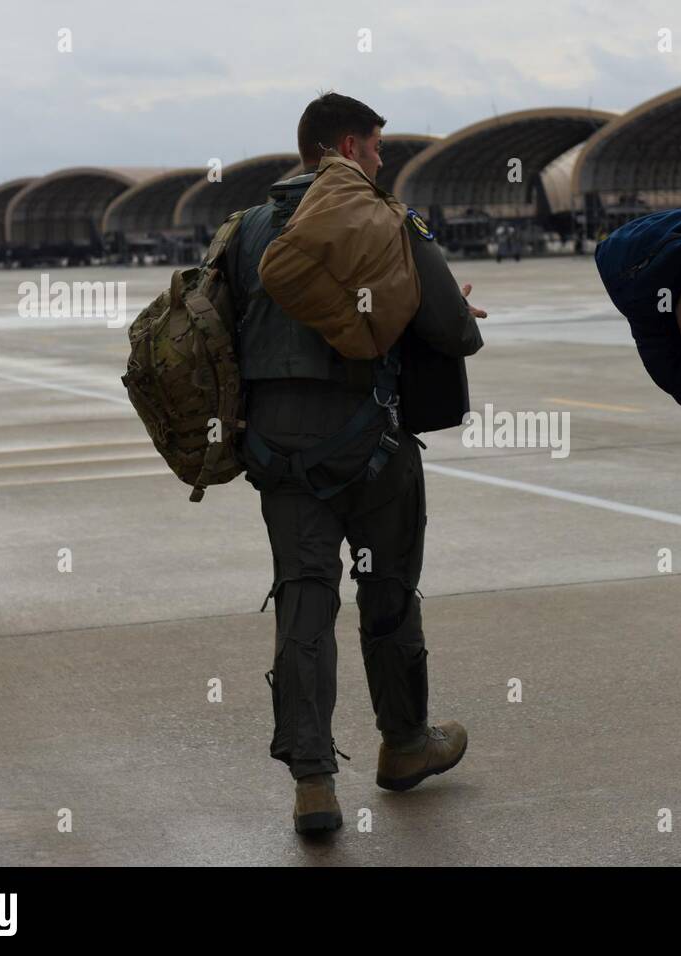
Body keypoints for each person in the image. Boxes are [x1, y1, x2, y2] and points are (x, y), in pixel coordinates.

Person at [224, 92, 485, 835]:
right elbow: (453, 332)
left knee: (304, 600)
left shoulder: (245, 231)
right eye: (377, 147)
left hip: (276, 451)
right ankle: (404, 745)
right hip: (371, 444)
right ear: (348, 145)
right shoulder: (387, 219)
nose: (382, 160)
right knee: (388, 591)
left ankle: (313, 785)